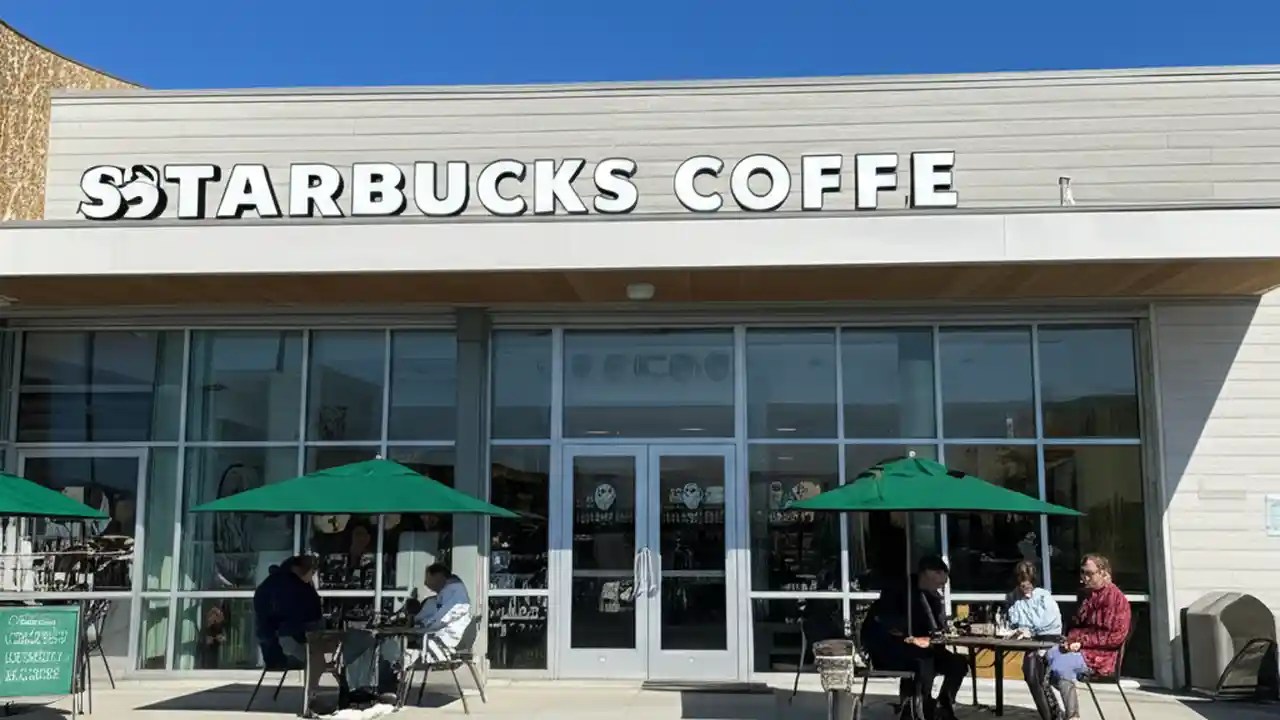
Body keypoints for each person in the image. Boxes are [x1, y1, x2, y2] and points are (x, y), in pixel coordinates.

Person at [343, 563, 474, 703]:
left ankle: (380, 689)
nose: (426, 584)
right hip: (436, 639)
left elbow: (440, 620)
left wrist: (417, 628)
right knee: (383, 641)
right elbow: (432, 617)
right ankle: (371, 687)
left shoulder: (454, 592)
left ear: (439, 576)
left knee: (389, 644)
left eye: (428, 579)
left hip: (439, 643)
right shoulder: (449, 592)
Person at [861, 555, 967, 720]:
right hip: (889, 650)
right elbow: (885, 623)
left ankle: (943, 705)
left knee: (958, 663)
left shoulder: (932, 598)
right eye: (939, 582)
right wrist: (910, 638)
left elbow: (937, 627)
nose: (941, 587)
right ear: (927, 573)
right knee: (924, 660)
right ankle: (918, 707)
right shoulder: (899, 590)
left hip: (925, 650)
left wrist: (943, 632)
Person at [1045, 554, 1132, 720]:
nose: (1085, 578)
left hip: (1103, 656)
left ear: (1104, 573)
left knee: (1061, 665)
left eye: (1090, 573)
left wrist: (1080, 642)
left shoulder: (1115, 599)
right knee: (1045, 658)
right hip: (1082, 650)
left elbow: (1115, 637)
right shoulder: (1088, 596)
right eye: (1083, 573)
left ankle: (1073, 716)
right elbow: (1077, 626)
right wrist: (1070, 641)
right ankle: (1057, 713)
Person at [253, 555, 334, 704]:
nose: (313, 575)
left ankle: (314, 693)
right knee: (319, 659)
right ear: (299, 569)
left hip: (271, 646)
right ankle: (312, 697)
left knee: (320, 655)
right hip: (285, 644)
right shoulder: (295, 588)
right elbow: (309, 616)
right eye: (312, 571)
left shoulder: (271, 583)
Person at [1006, 560, 1063, 720]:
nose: (1025, 589)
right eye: (1022, 585)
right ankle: (1048, 714)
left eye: (1028, 584)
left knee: (1035, 674)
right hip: (1031, 642)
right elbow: (1014, 621)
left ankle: (1052, 714)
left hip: (1049, 640)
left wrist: (1029, 628)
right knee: (1030, 674)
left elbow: (1049, 622)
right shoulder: (1014, 597)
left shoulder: (1044, 597)